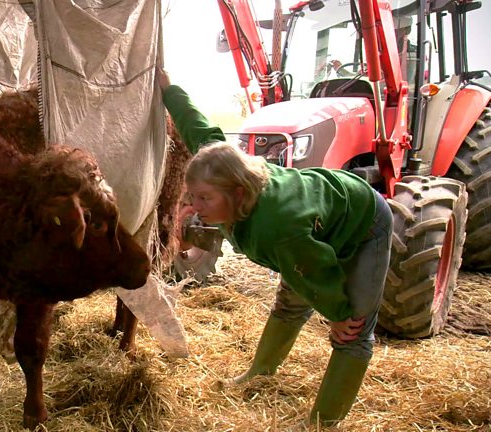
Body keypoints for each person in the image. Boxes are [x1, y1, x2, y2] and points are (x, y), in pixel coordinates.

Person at [158, 68, 393, 426]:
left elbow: (316, 271)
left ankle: (322, 422)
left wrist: (338, 313)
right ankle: (259, 372)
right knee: (289, 302)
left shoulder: (277, 227)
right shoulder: (225, 171)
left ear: (238, 194)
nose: (196, 206)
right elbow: (200, 131)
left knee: (353, 332)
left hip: (364, 222)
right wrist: (169, 90)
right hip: (317, 218)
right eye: (194, 197)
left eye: (203, 198)